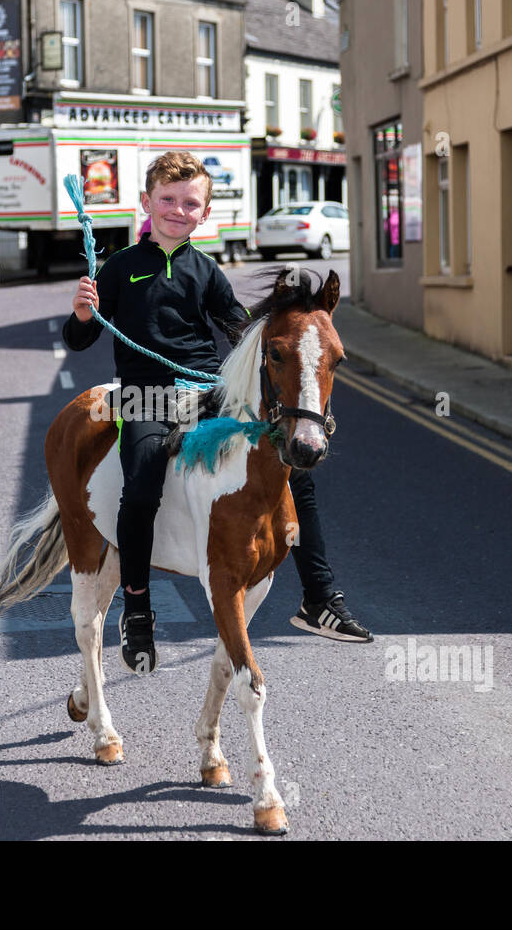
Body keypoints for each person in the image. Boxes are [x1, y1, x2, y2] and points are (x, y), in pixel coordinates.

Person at [62, 152, 370, 677]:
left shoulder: (206, 270)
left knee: (294, 469)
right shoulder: (119, 268)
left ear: (205, 215)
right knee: (139, 490)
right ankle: (137, 610)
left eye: (190, 204)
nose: (178, 211)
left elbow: (242, 330)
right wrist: (83, 313)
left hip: (208, 391)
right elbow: (80, 339)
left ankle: (319, 596)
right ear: (147, 203)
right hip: (146, 395)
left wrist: (288, 318)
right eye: (168, 201)